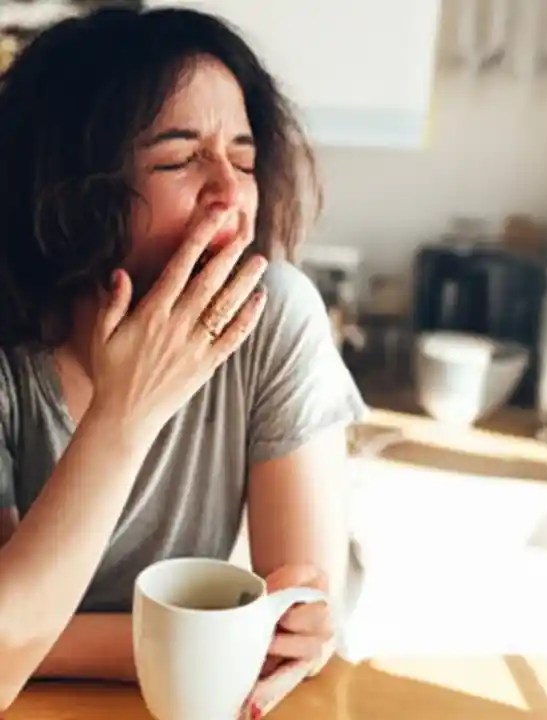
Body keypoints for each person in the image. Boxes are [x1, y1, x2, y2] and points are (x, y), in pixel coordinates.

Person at [0, 6, 367, 714]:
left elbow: (294, 627)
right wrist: (126, 411)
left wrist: (306, 632)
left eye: (245, 159)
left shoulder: (273, 317)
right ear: (68, 192)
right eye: (178, 159)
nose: (230, 194)